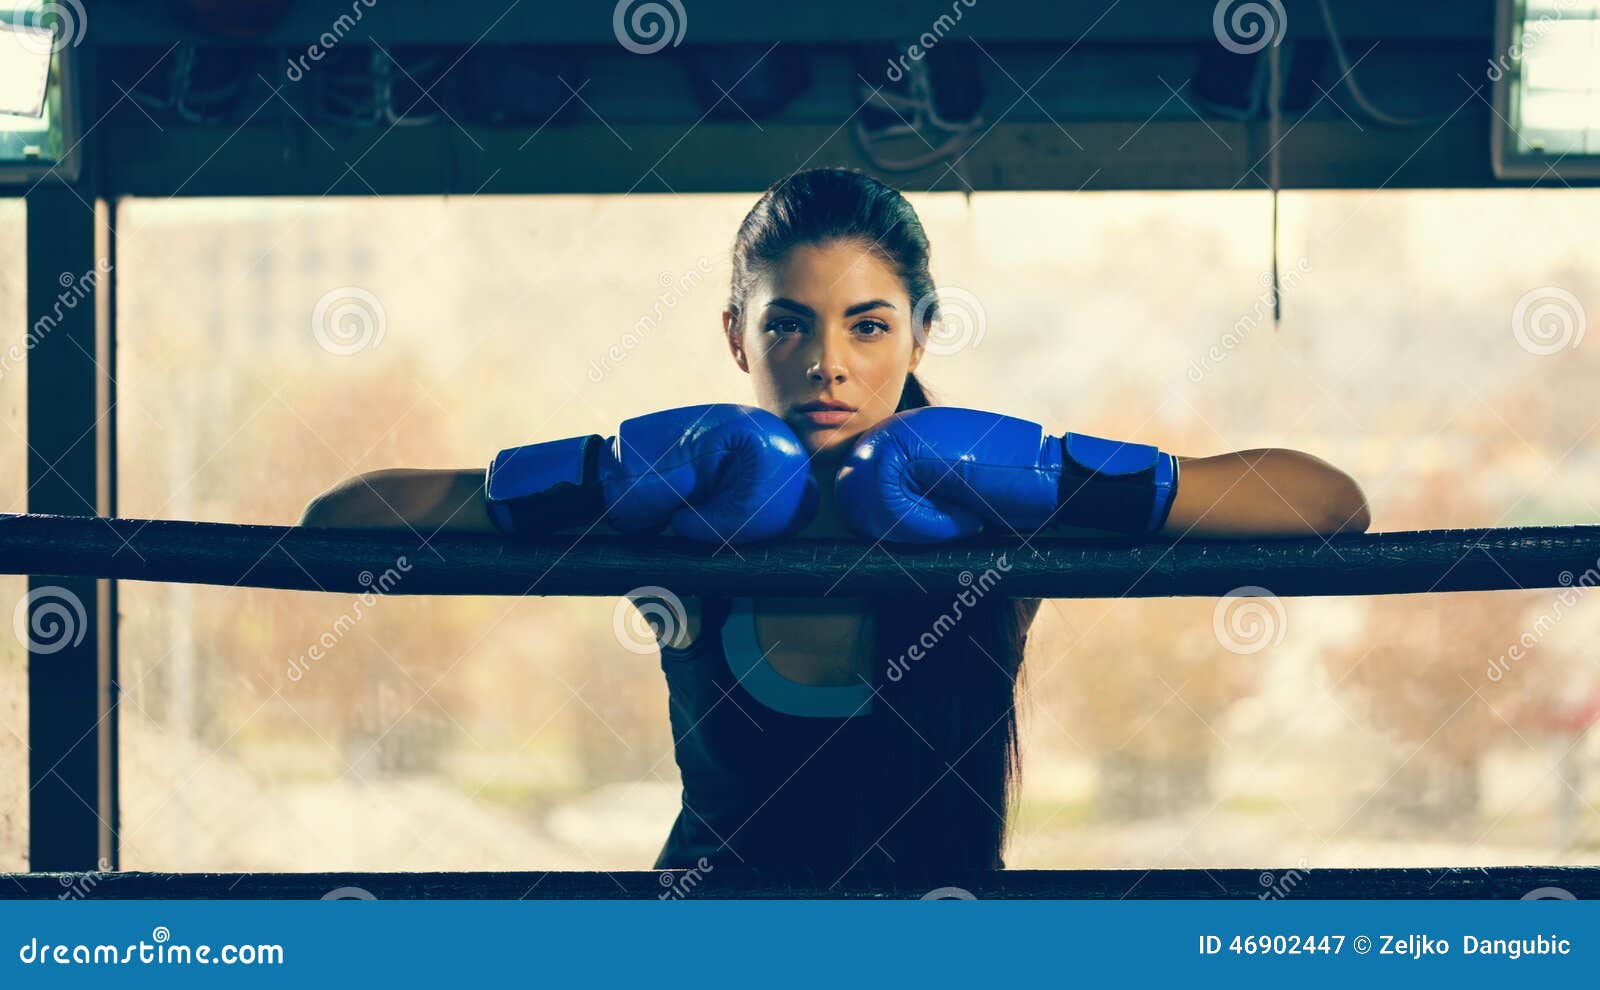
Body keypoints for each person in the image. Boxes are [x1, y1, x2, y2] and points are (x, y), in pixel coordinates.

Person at [300, 166, 1370, 879]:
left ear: (921, 331)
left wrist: (1063, 482)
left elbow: (1329, 505)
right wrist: (594, 477)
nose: (827, 364)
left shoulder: (995, 501)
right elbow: (338, 522)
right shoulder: (671, 504)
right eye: (787, 325)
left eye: (868, 325)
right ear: (734, 335)